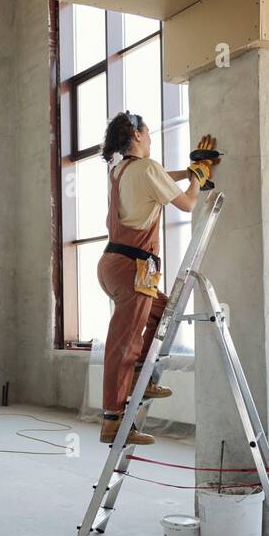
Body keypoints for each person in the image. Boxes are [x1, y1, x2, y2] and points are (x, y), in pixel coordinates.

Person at [96, 111, 218, 446]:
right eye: (148, 133)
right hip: (133, 267)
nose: (151, 139)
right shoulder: (147, 169)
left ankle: (141, 377)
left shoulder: (118, 170)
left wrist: (192, 169)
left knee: (163, 311)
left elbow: (157, 176)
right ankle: (113, 420)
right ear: (136, 135)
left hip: (113, 264)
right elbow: (188, 204)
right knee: (125, 344)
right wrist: (198, 179)